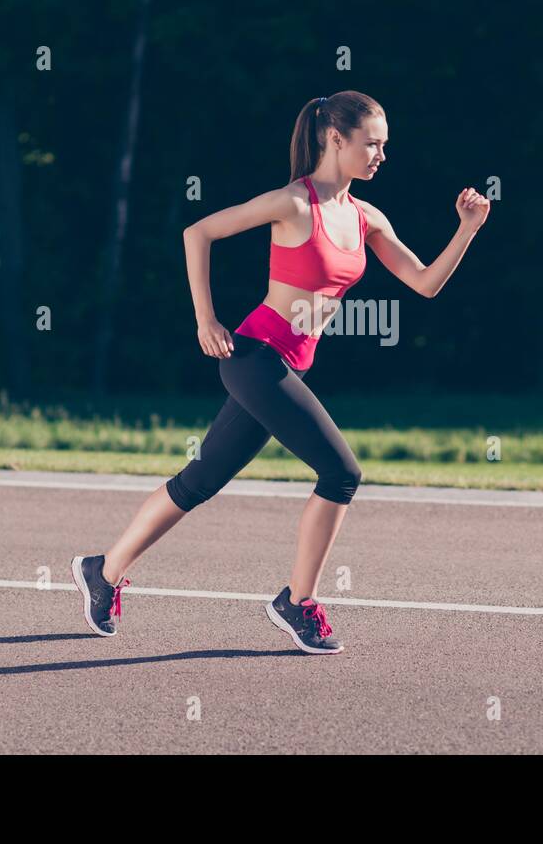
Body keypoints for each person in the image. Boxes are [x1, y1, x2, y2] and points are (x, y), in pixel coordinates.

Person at [72, 90, 490, 654]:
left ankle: (105, 571)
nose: (381, 155)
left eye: (384, 145)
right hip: (254, 357)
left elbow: (425, 283)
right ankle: (297, 601)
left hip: (286, 363)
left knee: (199, 481)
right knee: (342, 473)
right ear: (336, 139)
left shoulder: (366, 217)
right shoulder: (294, 204)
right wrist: (205, 320)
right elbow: (198, 233)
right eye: (373, 143)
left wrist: (466, 229)